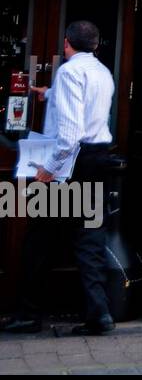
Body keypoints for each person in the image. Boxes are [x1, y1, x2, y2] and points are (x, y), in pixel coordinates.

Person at [0, 21, 116, 335]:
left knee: (38, 239)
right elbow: (87, 108)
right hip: (99, 158)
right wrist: (49, 93)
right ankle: (99, 313)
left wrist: (47, 171)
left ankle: (28, 314)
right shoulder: (102, 72)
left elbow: (69, 135)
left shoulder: (68, 72)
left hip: (72, 163)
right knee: (89, 239)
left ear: (66, 43)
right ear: (95, 45)